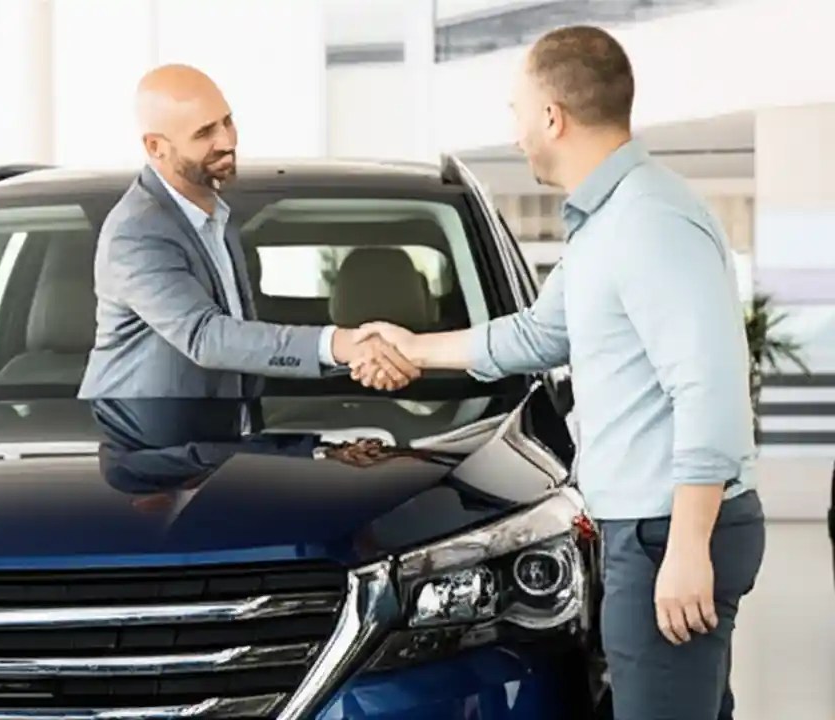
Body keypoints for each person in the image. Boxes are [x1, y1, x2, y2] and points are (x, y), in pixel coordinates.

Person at [353, 26, 765, 720]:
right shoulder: (608, 222)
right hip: (652, 524)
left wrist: (689, 549)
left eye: (516, 112)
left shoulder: (648, 221)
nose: (514, 133)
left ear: (552, 116)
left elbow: (709, 387)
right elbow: (540, 334)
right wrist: (413, 347)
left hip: (668, 525)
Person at [78, 63, 415, 400]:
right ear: (156, 147)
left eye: (227, 121)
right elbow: (206, 337)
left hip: (218, 436)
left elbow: (240, 342)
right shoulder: (137, 231)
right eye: (204, 132)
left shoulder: (214, 217)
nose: (227, 141)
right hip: (146, 443)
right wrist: (341, 344)